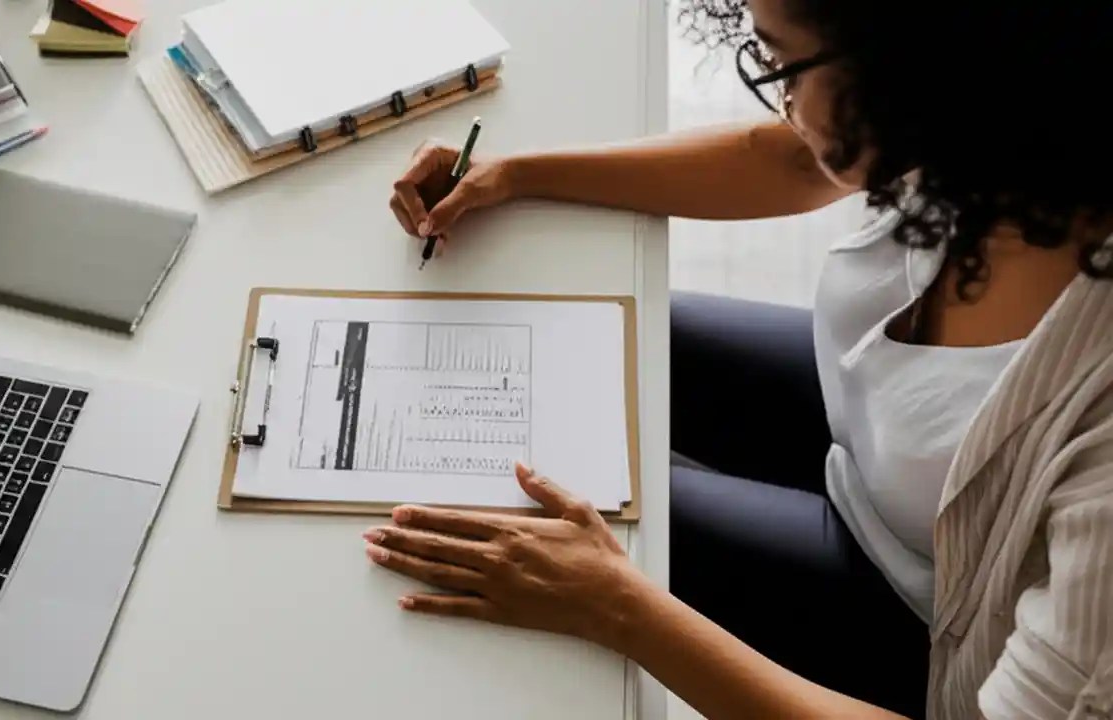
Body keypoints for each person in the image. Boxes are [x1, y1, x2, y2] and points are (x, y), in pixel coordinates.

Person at [370, 1, 1113, 718]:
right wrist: (516, 173)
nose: (782, 100)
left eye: (783, 64)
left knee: (572, 524)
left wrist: (621, 606)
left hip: (927, 622)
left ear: (902, 71)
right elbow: (795, 161)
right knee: (618, 338)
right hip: (885, 434)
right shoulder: (996, 117)